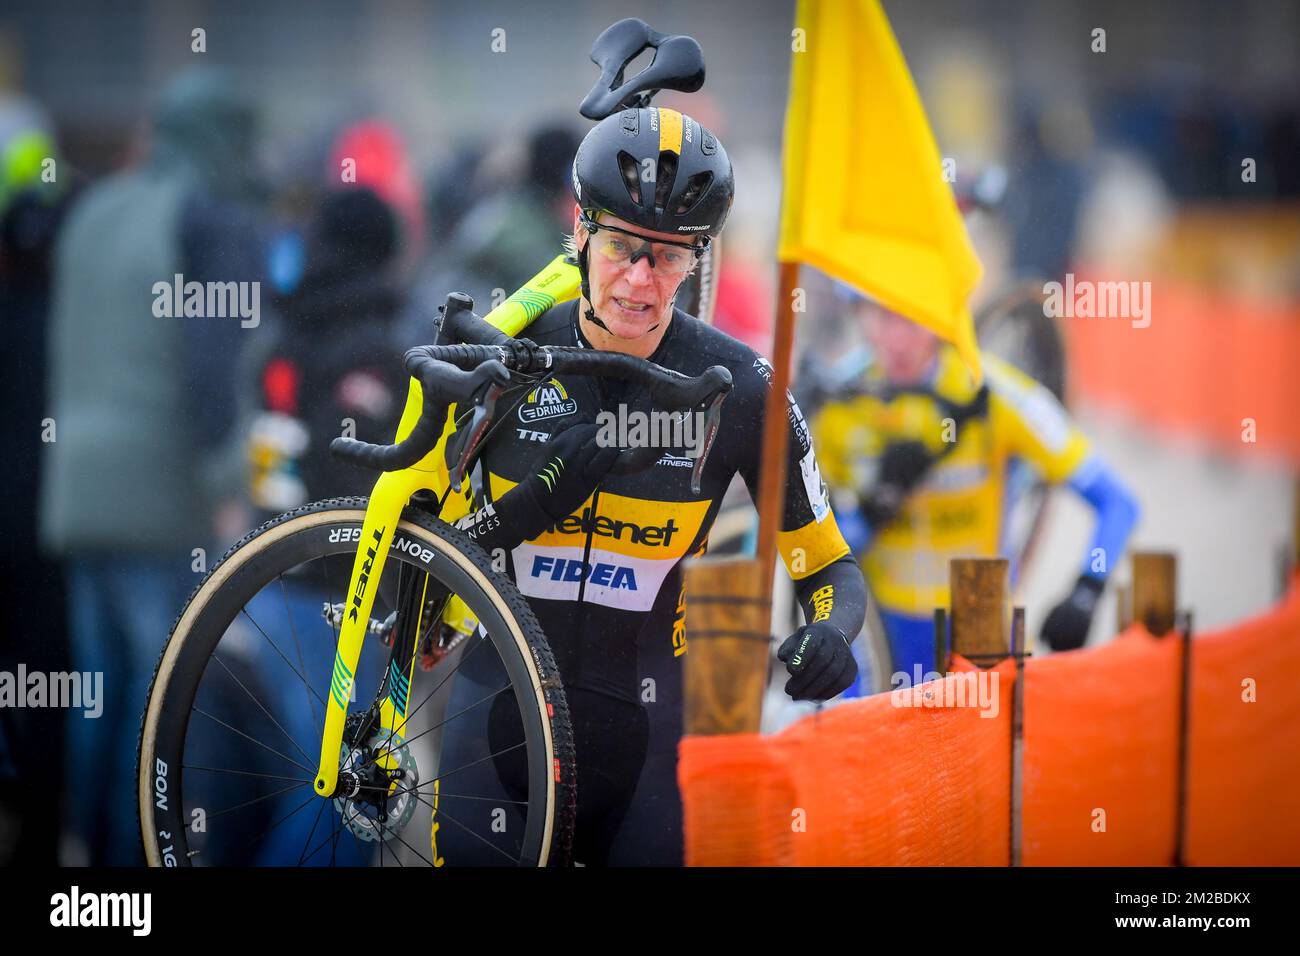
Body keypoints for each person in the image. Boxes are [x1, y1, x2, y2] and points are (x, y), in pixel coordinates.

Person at [437, 106, 867, 865]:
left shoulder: (737, 388)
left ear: (698, 262)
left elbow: (827, 567)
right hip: (494, 709)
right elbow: (422, 543)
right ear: (580, 232)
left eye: (668, 258)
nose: (639, 278)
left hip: (647, 729)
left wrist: (831, 631)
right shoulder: (502, 358)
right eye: (622, 249)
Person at [39, 67, 269, 865]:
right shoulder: (212, 216)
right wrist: (226, 492)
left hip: (75, 491)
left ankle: (94, 876)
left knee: (97, 699)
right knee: (162, 701)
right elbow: (212, 370)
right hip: (161, 496)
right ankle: (145, 867)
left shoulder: (93, 207)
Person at [809, 289, 1140, 693]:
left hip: (977, 636)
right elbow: (812, 546)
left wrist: (1088, 589)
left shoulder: (998, 392)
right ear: (860, 315)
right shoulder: (838, 401)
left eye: (912, 320)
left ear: (941, 321)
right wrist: (870, 511)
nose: (896, 339)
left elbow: (1117, 503)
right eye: (882, 317)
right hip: (876, 641)